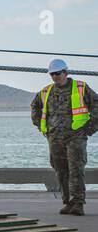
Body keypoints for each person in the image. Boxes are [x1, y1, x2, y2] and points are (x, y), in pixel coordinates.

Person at [31, 58, 96, 215]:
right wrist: (42, 127)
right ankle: (68, 202)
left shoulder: (81, 87)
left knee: (76, 169)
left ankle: (78, 203)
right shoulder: (45, 92)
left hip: (76, 137)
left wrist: (89, 128)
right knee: (60, 170)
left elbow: (97, 105)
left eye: (58, 73)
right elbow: (35, 107)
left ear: (66, 72)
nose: (55, 77)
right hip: (55, 138)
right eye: (52, 74)